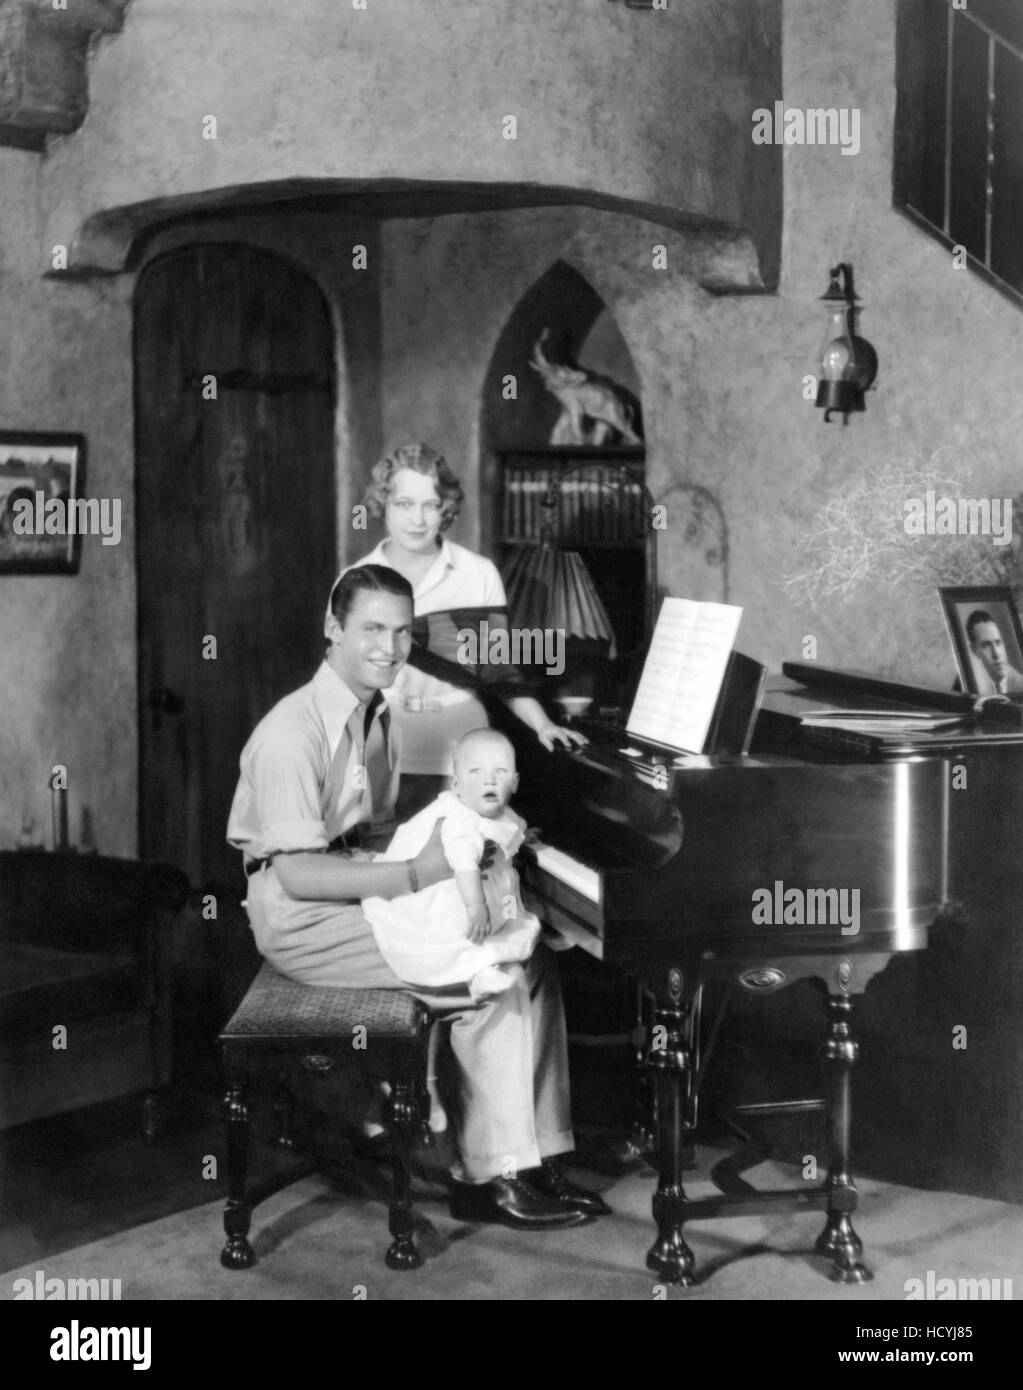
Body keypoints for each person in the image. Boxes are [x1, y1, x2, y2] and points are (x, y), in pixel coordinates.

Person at [227, 563, 609, 1228]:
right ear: (331, 627)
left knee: (537, 959)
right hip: (300, 917)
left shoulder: (367, 709)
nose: (390, 647)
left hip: (346, 886)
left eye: (403, 632)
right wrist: (419, 873)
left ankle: (534, 1155)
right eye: (371, 628)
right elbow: (298, 875)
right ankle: (485, 1175)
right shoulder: (294, 730)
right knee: (489, 970)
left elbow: (360, 834)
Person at [338, 442, 585, 817]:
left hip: (465, 747)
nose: (417, 519)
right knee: (393, 865)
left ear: (446, 508)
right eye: (404, 504)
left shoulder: (478, 573)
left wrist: (543, 725)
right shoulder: (353, 580)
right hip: (383, 747)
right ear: (382, 505)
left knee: (469, 862)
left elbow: (499, 670)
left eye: (431, 505)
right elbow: (340, 685)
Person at [364, 728, 540, 1002]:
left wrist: (523, 835)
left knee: (512, 918)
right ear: (456, 786)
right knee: (466, 936)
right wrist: (476, 906)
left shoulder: (502, 813)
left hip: (477, 884)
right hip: (450, 892)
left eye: (501, 771)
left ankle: (492, 961)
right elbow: (464, 866)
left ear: (515, 782)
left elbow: (511, 827)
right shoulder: (461, 822)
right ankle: (477, 974)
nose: (489, 780)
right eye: (476, 772)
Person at [966, 609, 1023, 694]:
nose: (996, 653)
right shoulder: (982, 688)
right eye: (986, 645)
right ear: (974, 650)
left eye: (998, 642)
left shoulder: (1020, 685)